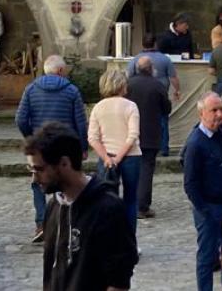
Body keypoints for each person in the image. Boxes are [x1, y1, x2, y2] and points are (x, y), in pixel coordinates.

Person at [25, 122, 138, 291]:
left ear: (64, 163)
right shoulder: (54, 206)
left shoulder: (107, 209)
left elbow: (118, 282)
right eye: (31, 170)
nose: (34, 179)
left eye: (39, 169)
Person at [16, 54, 89, 243]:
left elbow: (21, 119)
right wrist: (82, 146)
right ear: (60, 71)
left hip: (40, 144)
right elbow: (81, 122)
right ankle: (68, 221)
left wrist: (31, 137)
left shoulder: (31, 89)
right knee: (67, 181)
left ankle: (42, 223)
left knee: (39, 181)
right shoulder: (72, 91)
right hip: (65, 145)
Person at [181, 92, 222, 291]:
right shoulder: (195, 143)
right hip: (208, 207)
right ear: (202, 113)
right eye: (214, 110)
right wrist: (204, 210)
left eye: (221, 109)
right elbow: (190, 183)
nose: (219, 114)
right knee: (207, 257)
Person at [87, 69, 142, 235]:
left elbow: (93, 138)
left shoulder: (98, 108)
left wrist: (106, 157)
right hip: (130, 156)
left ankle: (110, 238)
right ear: (122, 85)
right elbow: (133, 135)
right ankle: (129, 240)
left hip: (107, 156)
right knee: (130, 199)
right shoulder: (130, 106)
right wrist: (119, 157)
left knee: (108, 200)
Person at [126, 56, 171, 219]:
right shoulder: (157, 85)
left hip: (130, 133)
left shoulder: (128, 84)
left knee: (131, 169)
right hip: (151, 133)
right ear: (151, 68)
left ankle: (130, 203)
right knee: (146, 169)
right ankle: (142, 206)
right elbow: (166, 108)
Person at [127, 33, 180, 156]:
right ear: (155, 43)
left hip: (139, 96)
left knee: (139, 121)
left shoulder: (135, 59)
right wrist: (177, 90)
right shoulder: (165, 59)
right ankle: (164, 148)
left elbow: (128, 76)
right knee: (162, 121)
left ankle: (140, 146)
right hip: (160, 93)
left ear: (142, 44)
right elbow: (173, 77)